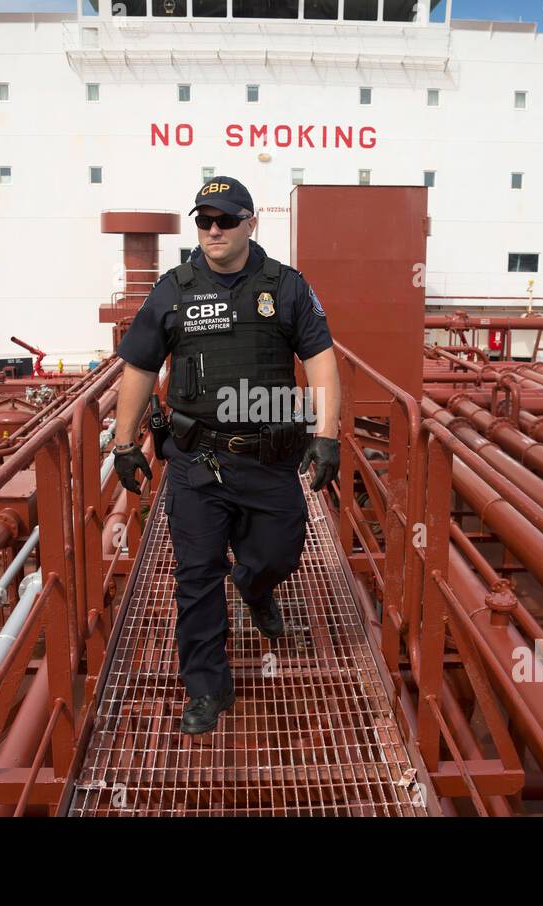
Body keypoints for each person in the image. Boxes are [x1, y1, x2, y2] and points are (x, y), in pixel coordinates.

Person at [111, 176, 341, 735]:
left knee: (279, 553)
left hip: (269, 459)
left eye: (225, 220)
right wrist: (124, 445)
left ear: (249, 223)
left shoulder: (285, 288)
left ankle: (256, 587)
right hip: (196, 464)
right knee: (196, 577)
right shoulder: (173, 290)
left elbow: (321, 361)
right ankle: (208, 687)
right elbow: (140, 367)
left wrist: (327, 435)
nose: (213, 230)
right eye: (204, 221)